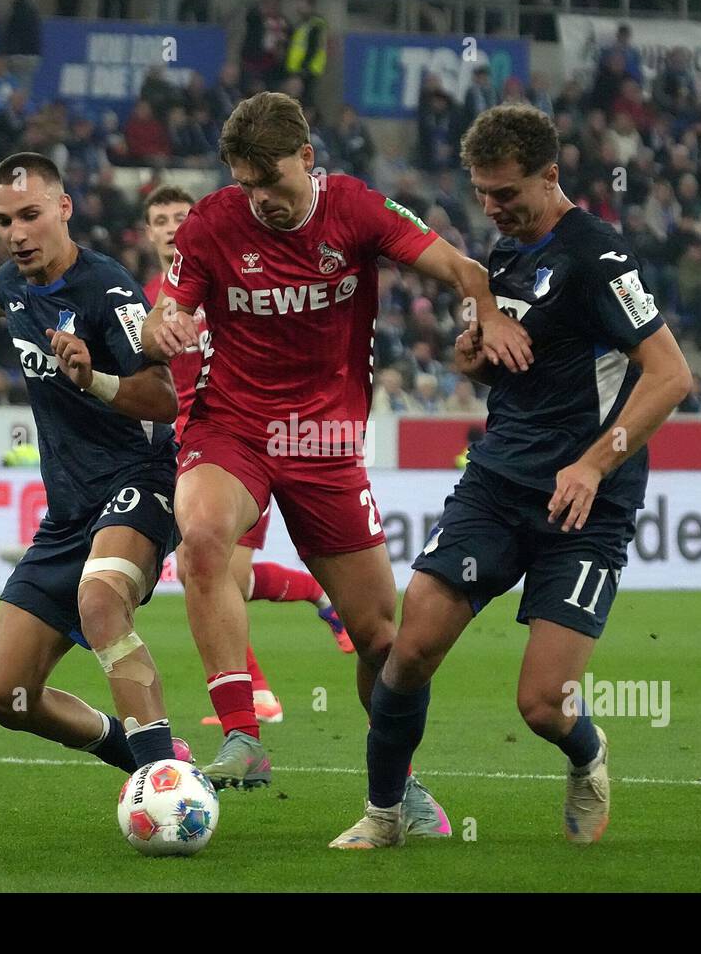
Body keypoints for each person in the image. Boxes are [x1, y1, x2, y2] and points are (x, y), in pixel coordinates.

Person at [141, 90, 528, 825]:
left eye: (275, 183)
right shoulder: (212, 224)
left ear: (309, 160)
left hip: (324, 444)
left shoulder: (356, 209)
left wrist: (488, 314)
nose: (263, 202)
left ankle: (399, 781)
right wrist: (167, 325)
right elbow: (174, 307)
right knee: (201, 536)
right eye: (248, 185)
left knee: (384, 638)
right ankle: (241, 734)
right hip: (234, 429)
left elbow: (462, 270)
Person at [329, 104, 690, 849]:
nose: (492, 209)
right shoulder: (503, 261)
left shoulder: (599, 257)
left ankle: (586, 753)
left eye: (506, 194)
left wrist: (593, 464)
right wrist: (475, 360)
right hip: (496, 484)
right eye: (482, 194)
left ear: (550, 177)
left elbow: (672, 375)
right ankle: (385, 814)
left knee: (540, 706)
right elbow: (532, 372)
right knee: (410, 650)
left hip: (585, 505)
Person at [0, 152, 190, 776]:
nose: (17, 233)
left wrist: (94, 378)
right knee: (4, 694)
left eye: (30, 215)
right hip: (69, 511)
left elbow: (165, 397)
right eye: (3, 222)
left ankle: (167, 779)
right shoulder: (19, 286)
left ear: (64, 208)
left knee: (100, 603)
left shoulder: (108, 290)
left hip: (139, 481)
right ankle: (138, 758)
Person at [140, 184, 355, 727]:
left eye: (178, 216)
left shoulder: (223, 277)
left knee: (212, 572)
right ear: (147, 232)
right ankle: (313, 604)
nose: (170, 227)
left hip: (238, 440)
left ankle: (259, 693)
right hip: (185, 446)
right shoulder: (149, 298)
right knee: (203, 572)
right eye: (159, 219)